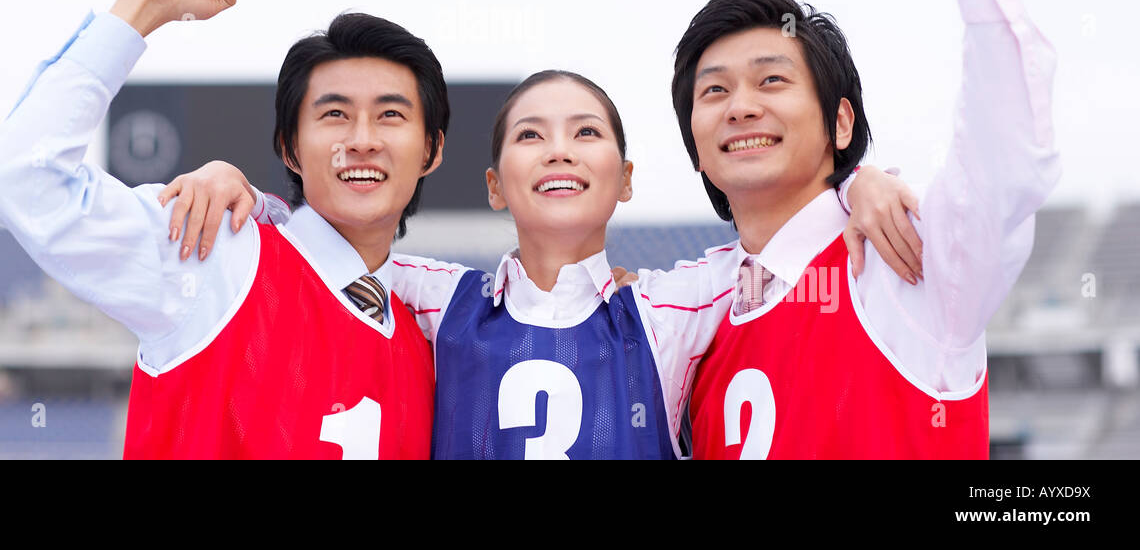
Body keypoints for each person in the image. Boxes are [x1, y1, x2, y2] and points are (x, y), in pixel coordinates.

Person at [166, 73, 918, 458]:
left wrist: (857, 181)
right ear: (495, 185)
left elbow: (783, 220)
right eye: (531, 135)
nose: (558, 150)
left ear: (624, 179)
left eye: (585, 132)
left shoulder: (675, 308)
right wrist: (248, 196)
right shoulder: (434, 301)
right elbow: (324, 251)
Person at [0, 0, 443, 458]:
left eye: (391, 115)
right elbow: (20, 178)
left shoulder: (427, 338)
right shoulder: (213, 250)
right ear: (289, 147)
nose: (362, 140)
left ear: (432, 150)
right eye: (334, 114)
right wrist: (146, 5)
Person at [675, 0, 1061, 458]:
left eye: (772, 80)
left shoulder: (907, 257)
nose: (740, 106)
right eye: (715, 90)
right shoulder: (693, 314)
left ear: (841, 122)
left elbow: (1007, 158)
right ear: (695, 145)